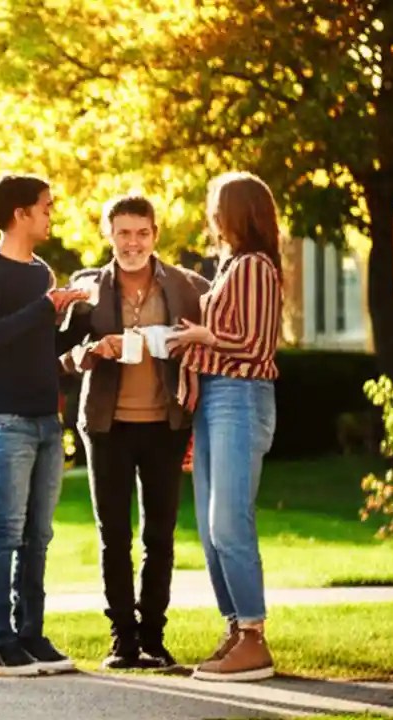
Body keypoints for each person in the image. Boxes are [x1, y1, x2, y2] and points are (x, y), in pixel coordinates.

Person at [58, 194, 210, 669]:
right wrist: (91, 352)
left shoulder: (185, 286)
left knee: (160, 536)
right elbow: (64, 355)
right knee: (114, 536)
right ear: (109, 235)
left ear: (155, 235)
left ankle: (154, 639)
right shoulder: (88, 288)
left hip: (166, 425)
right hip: (107, 427)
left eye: (142, 233)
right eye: (123, 232)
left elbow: (213, 335)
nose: (133, 243)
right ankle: (123, 640)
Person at [0, 173, 88, 676]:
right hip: (6, 422)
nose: (51, 215)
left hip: (46, 422)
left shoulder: (42, 274)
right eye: (46, 207)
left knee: (39, 535)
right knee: (6, 532)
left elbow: (39, 346)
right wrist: (44, 307)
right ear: (20, 214)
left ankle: (31, 636)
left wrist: (75, 334)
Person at [167, 171, 284, 682]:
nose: (212, 215)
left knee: (229, 521)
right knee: (210, 527)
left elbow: (255, 344)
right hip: (216, 397)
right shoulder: (230, 265)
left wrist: (202, 336)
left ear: (238, 212)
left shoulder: (256, 266)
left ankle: (254, 637)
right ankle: (236, 629)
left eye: (218, 206)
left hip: (241, 395)